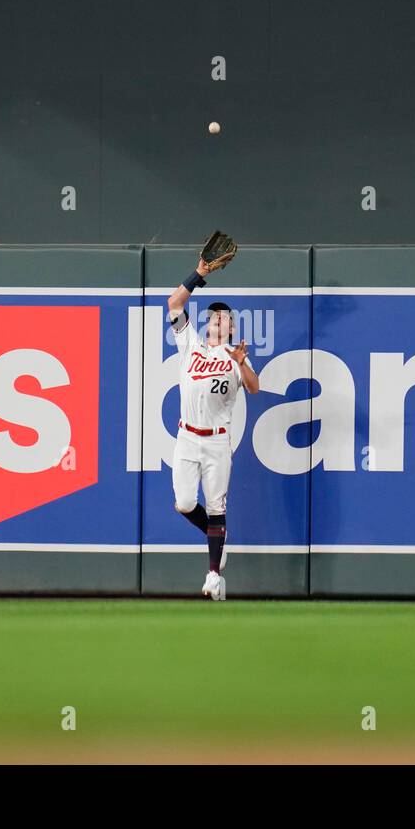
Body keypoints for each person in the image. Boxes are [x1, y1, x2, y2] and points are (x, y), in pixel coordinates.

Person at [165, 256, 260, 600]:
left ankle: (213, 575)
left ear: (232, 328)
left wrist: (241, 363)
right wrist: (200, 273)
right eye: (215, 318)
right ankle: (216, 537)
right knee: (184, 503)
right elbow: (174, 302)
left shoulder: (235, 357)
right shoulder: (189, 343)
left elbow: (254, 387)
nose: (219, 322)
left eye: (225, 320)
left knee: (217, 506)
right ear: (207, 324)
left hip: (218, 443)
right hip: (187, 437)